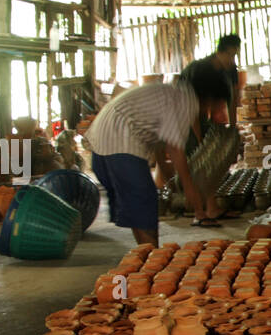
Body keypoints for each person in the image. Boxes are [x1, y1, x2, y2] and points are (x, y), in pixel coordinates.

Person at [83, 74, 212, 246]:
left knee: (138, 205)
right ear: (208, 98)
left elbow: (160, 146)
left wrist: (170, 179)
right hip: (119, 138)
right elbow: (174, 148)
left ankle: (148, 256)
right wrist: (189, 189)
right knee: (144, 203)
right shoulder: (184, 100)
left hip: (102, 138)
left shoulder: (167, 94)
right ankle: (152, 260)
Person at [179, 35, 242, 221]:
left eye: (235, 55)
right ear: (219, 52)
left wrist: (232, 128)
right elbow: (193, 108)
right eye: (230, 55)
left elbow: (231, 99)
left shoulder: (230, 70)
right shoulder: (200, 71)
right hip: (184, 115)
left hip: (205, 116)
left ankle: (212, 208)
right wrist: (200, 140)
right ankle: (198, 211)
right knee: (198, 162)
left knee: (215, 162)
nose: (232, 59)